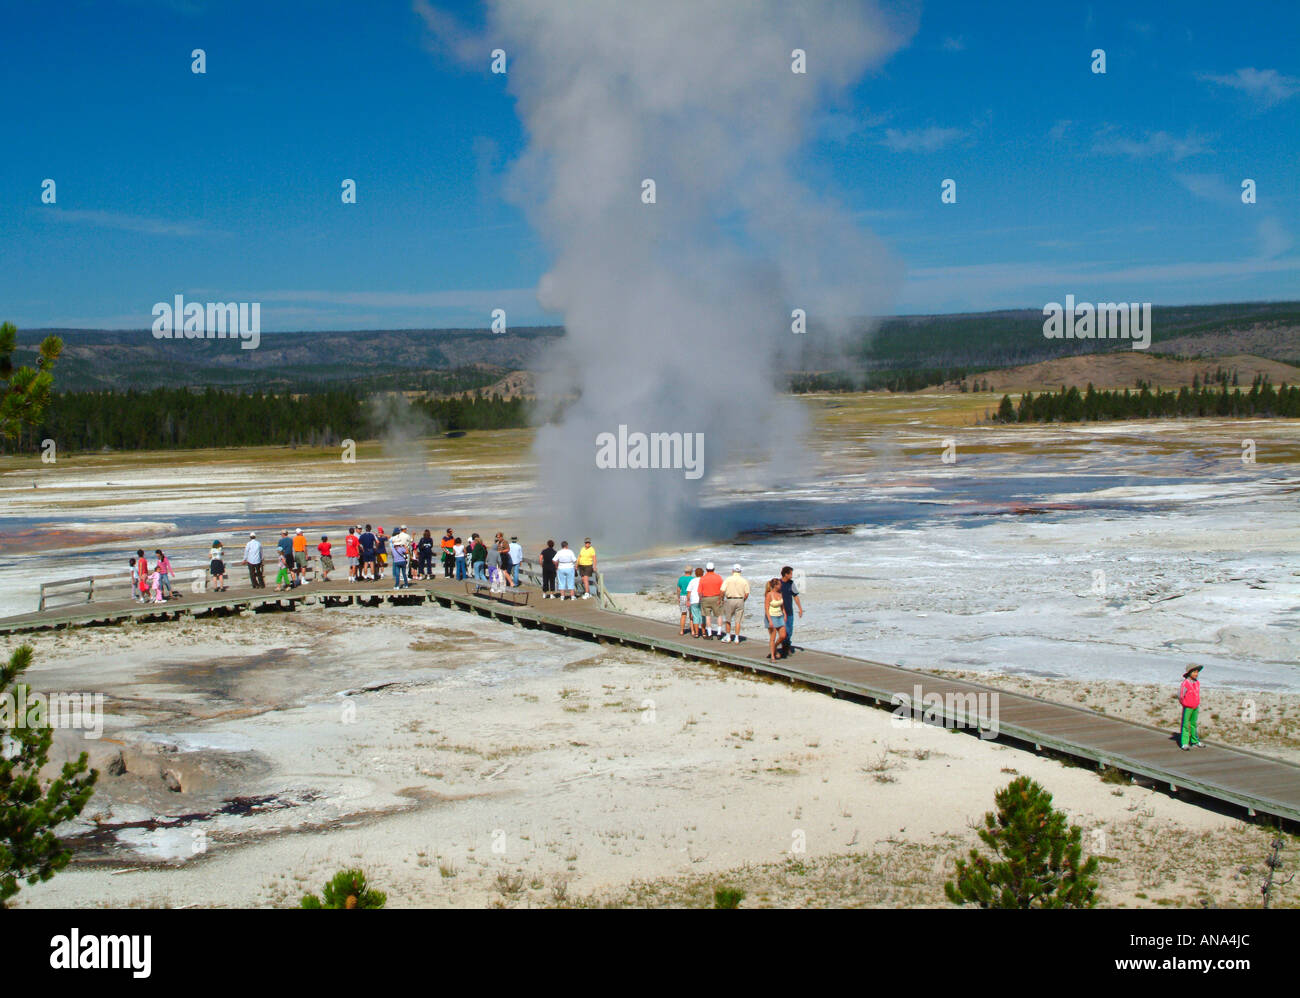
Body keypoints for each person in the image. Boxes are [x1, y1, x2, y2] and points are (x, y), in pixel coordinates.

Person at [721, 564, 750, 643]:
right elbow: (747, 593)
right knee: (738, 620)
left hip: (730, 599)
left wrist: (722, 599)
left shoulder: (728, 579)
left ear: (732, 570)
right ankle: (736, 638)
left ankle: (728, 636)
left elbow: (722, 590)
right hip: (740, 599)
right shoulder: (744, 580)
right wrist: (743, 600)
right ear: (740, 571)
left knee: (728, 619)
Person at [779, 566, 803, 656]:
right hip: (780, 612)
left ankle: (786, 646)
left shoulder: (791, 583)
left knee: (790, 631)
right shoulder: (778, 583)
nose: (792, 575)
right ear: (786, 574)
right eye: (791, 574)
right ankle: (785, 648)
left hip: (789, 611)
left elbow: (795, 596)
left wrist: (800, 609)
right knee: (783, 631)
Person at [1178, 665, 1204, 750]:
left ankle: (1194, 740)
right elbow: (1180, 695)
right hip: (1188, 707)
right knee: (1185, 724)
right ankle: (1184, 742)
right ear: (1189, 673)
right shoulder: (1185, 683)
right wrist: (1184, 703)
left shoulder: (1197, 683)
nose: (1196, 674)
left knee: (1193, 724)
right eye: (1194, 672)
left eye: (1197, 672)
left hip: (1195, 706)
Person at [697, 562, 723, 638]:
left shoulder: (703, 578)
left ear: (706, 569)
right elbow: (722, 589)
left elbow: (699, 591)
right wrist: (721, 598)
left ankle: (709, 633)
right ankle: (719, 633)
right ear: (714, 569)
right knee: (719, 615)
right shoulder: (718, 577)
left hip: (705, 598)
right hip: (716, 597)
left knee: (707, 616)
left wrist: (701, 599)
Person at [764, 578, 787, 661]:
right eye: (780, 584)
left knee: (783, 636)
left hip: (780, 616)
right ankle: (772, 656)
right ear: (775, 585)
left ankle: (775, 647)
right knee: (773, 637)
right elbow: (766, 608)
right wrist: (770, 620)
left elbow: (782, 605)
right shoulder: (769, 595)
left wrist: (785, 614)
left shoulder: (780, 593)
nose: (781, 585)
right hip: (772, 617)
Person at [686, 567, 704, 636]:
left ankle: (696, 633)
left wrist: (688, 600)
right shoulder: (704, 580)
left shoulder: (692, 581)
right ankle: (703, 632)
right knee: (703, 616)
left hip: (694, 600)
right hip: (703, 600)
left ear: (695, 573)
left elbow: (689, 592)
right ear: (703, 573)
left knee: (695, 616)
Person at [676, 565, 694, 634]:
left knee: (683, 614)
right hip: (690, 597)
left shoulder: (681, 579)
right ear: (691, 571)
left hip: (682, 596)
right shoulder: (692, 579)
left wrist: (678, 598)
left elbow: (678, 589)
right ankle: (692, 631)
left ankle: (681, 630)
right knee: (691, 615)